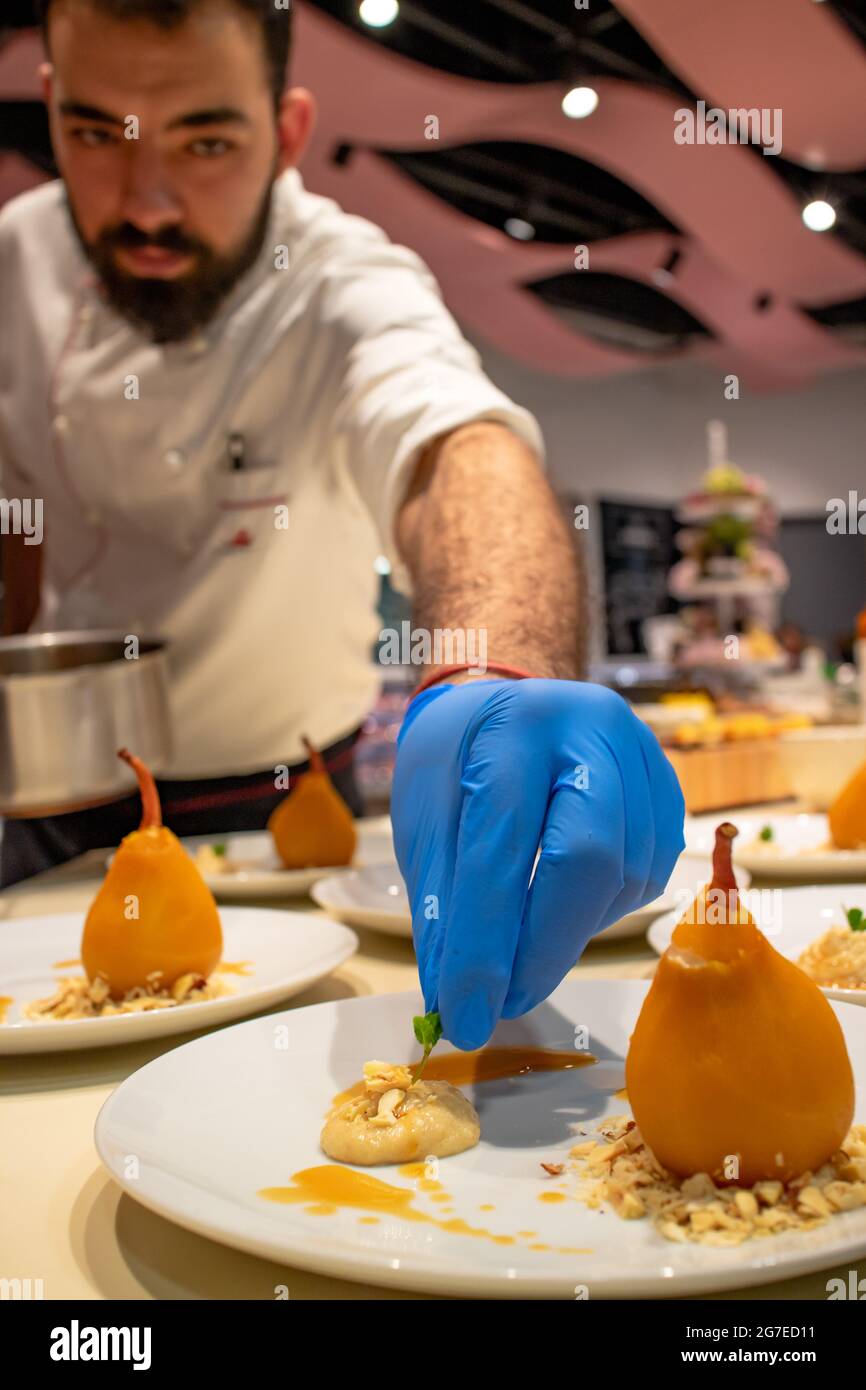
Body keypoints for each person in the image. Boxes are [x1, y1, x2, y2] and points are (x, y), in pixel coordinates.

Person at [0, 0, 684, 1047]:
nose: (146, 202)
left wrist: (492, 675)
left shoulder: (338, 280)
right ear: (47, 108)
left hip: (283, 812)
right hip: (47, 805)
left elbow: (459, 452)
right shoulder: (13, 263)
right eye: (97, 133)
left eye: (206, 140)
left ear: (286, 132)